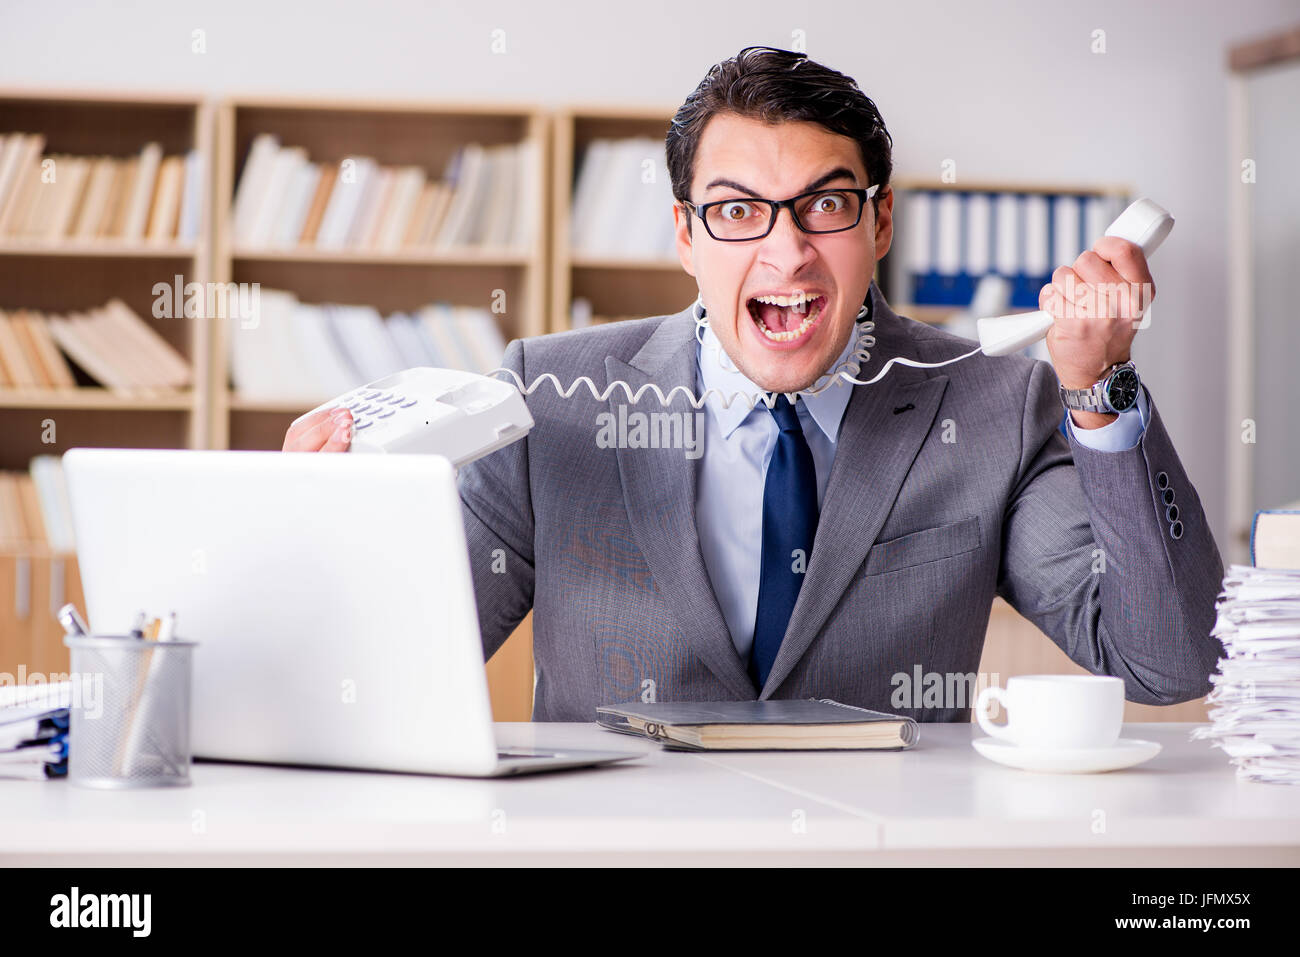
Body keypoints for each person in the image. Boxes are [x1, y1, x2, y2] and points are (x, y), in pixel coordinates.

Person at [284, 46, 1224, 722]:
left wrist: (1099, 387)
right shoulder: (550, 397)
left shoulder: (993, 403)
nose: (786, 251)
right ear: (688, 236)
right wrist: (331, 527)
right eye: (738, 210)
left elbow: (1169, 662)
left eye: (825, 204)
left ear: (881, 221)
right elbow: (382, 676)